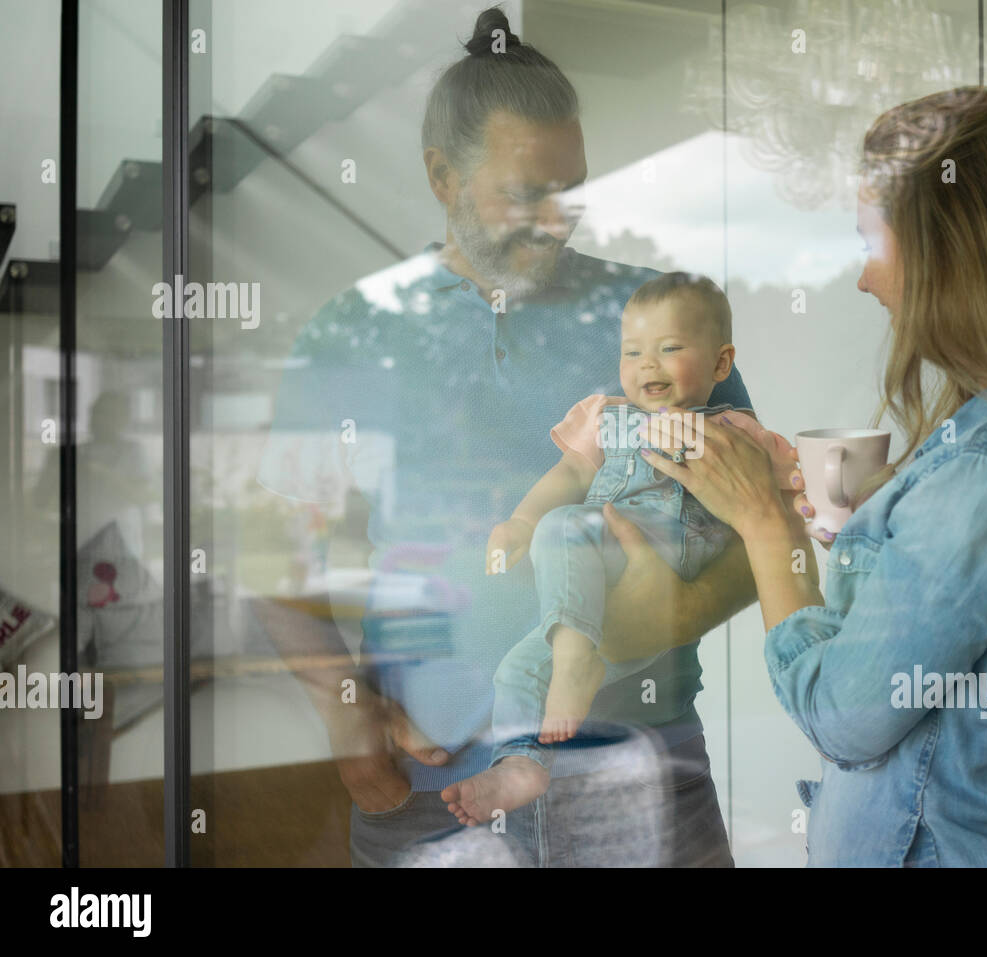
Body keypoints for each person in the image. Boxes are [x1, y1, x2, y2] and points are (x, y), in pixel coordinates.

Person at [254, 8, 786, 867]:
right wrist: (345, 702)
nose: (555, 220)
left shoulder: (663, 318)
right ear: (442, 177)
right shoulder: (354, 330)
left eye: (570, 190)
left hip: (644, 785)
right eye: (525, 193)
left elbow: (764, 529)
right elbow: (274, 548)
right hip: (430, 799)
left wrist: (666, 610)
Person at [638, 86, 987, 866]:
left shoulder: (983, 470)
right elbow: (964, 609)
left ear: (943, 248)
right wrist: (853, 516)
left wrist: (766, 527)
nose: (865, 279)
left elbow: (843, 713)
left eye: (871, 241)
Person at [443, 273, 789, 825]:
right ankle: (520, 763)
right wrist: (521, 520)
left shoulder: (734, 430)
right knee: (515, 670)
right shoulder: (607, 417)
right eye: (633, 352)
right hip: (601, 582)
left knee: (565, 528)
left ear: (721, 364)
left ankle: (576, 659)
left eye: (670, 349)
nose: (647, 365)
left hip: (672, 567)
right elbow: (573, 469)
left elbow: (786, 502)